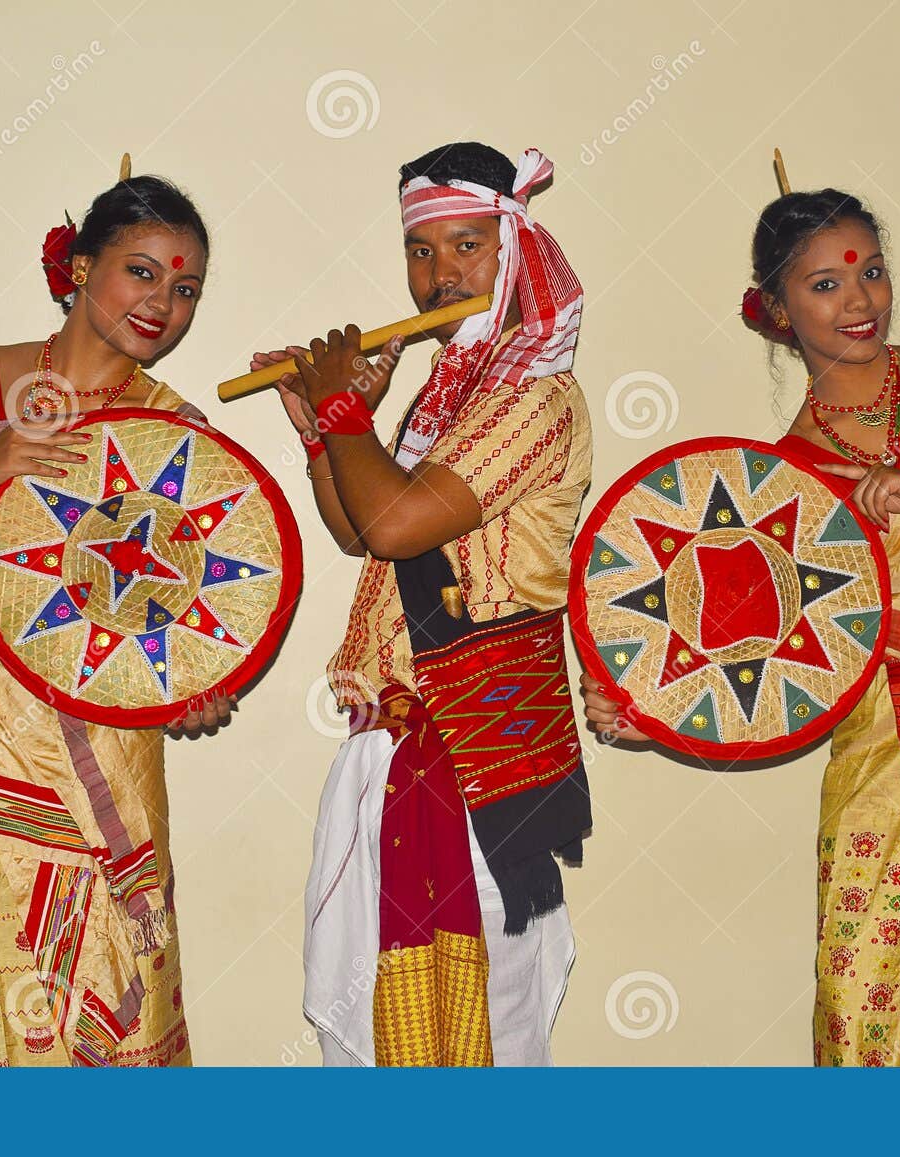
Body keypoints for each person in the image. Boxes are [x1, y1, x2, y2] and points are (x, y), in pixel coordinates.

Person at [581, 188, 900, 1066]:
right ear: (777, 312)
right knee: (874, 999)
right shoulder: (784, 479)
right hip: (888, 751)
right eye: (826, 284)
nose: (859, 300)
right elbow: (780, 658)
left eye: (871, 271)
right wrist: (655, 713)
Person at [0, 173, 235, 1066]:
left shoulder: (176, 433)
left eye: (185, 290)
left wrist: (188, 690)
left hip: (104, 778)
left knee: (111, 1005)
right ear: (79, 266)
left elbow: (192, 623)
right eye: (141, 272)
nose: (163, 305)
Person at [255, 143, 591, 1066]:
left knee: (491, 1029)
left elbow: (398, 524)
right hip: (396, 741)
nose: (439, 275)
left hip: (479, 756)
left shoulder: (536, 395)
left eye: (467, 246)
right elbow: (360, 534)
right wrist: (324, 431)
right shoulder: (450, 399)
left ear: (516, 245)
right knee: (382, 1042)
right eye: (422, 252)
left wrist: (349, 418)